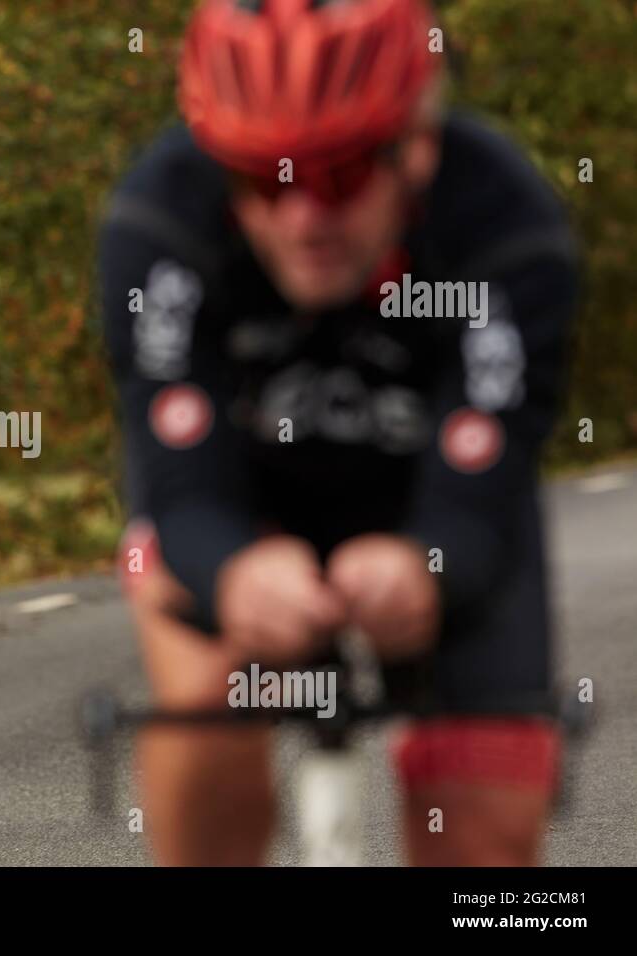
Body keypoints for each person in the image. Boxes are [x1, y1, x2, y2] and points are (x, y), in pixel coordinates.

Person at [100, 0, 580, 865]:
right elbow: (177, 480)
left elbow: (492, 467)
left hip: (436, 500)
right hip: (243, 498)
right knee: (207, 704)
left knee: (486, 827)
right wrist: (232, 568)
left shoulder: (505, 221)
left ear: (417, 146)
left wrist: (431, 561)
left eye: (344, 175)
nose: (304, 219)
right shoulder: (159, 219)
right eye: (262, 180)